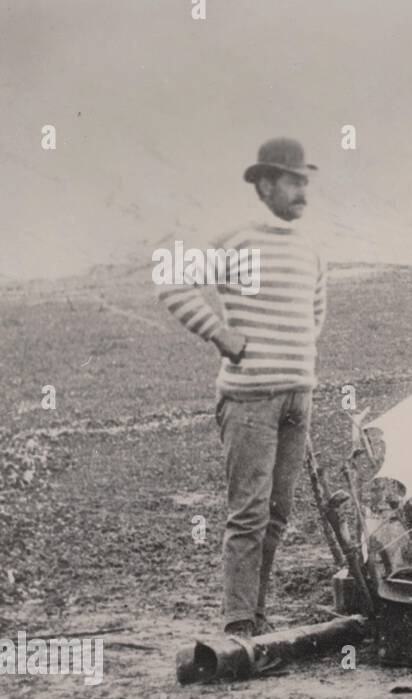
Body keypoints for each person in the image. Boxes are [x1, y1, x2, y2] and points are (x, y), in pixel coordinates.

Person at [158, 138, 326, 638]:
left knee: (277, 515)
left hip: (299, 397)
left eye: (305, 183)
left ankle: (256, 617)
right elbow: (171, 281)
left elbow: (315, 315)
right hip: (250, 399)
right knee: (248, 515)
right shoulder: (236, 240)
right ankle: (237, 628)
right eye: (294, 182)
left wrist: (292, 362)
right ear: (266, 183)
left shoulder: (310, 248)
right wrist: (220, 333)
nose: (303, 194)